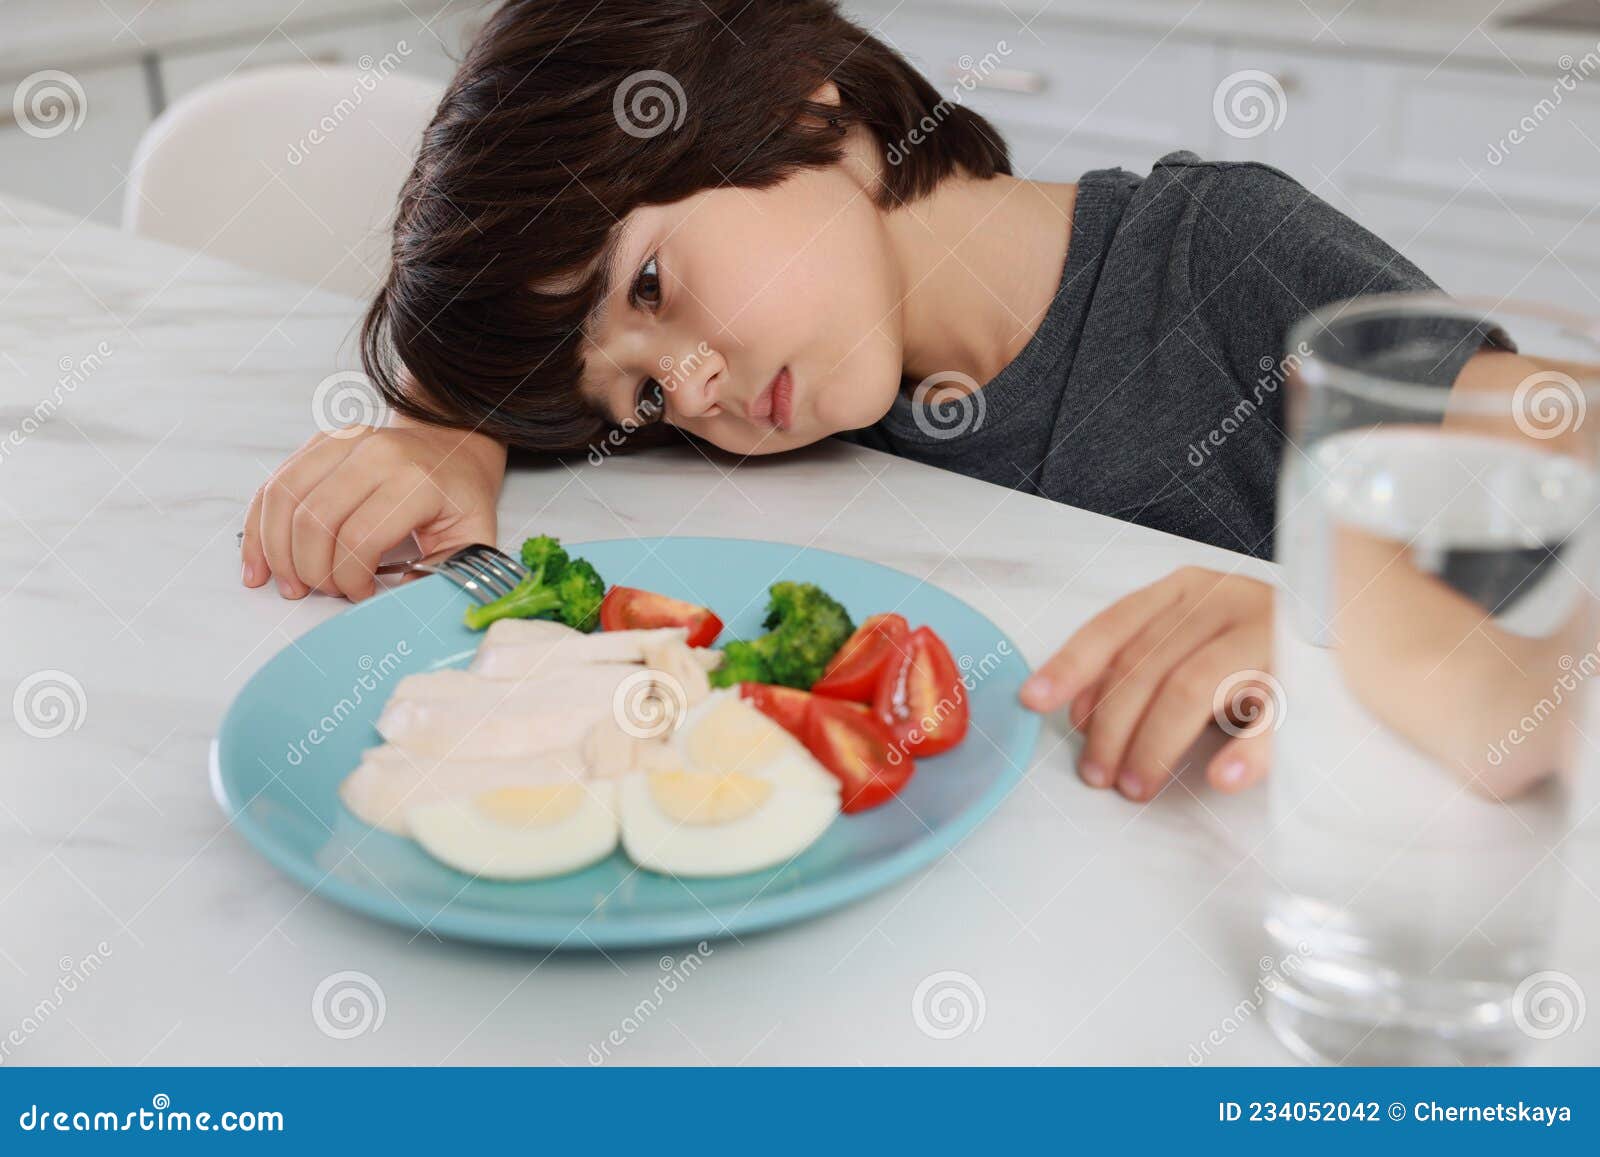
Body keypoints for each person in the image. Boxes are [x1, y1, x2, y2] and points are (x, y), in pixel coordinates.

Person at [239, 0, 1456, 803]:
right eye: (643, 397)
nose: (691, 387)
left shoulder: (1227, 250)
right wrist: (440, 426)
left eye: (653, 284)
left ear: (804, 111)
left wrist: (1346, 632)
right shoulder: (824, 387)